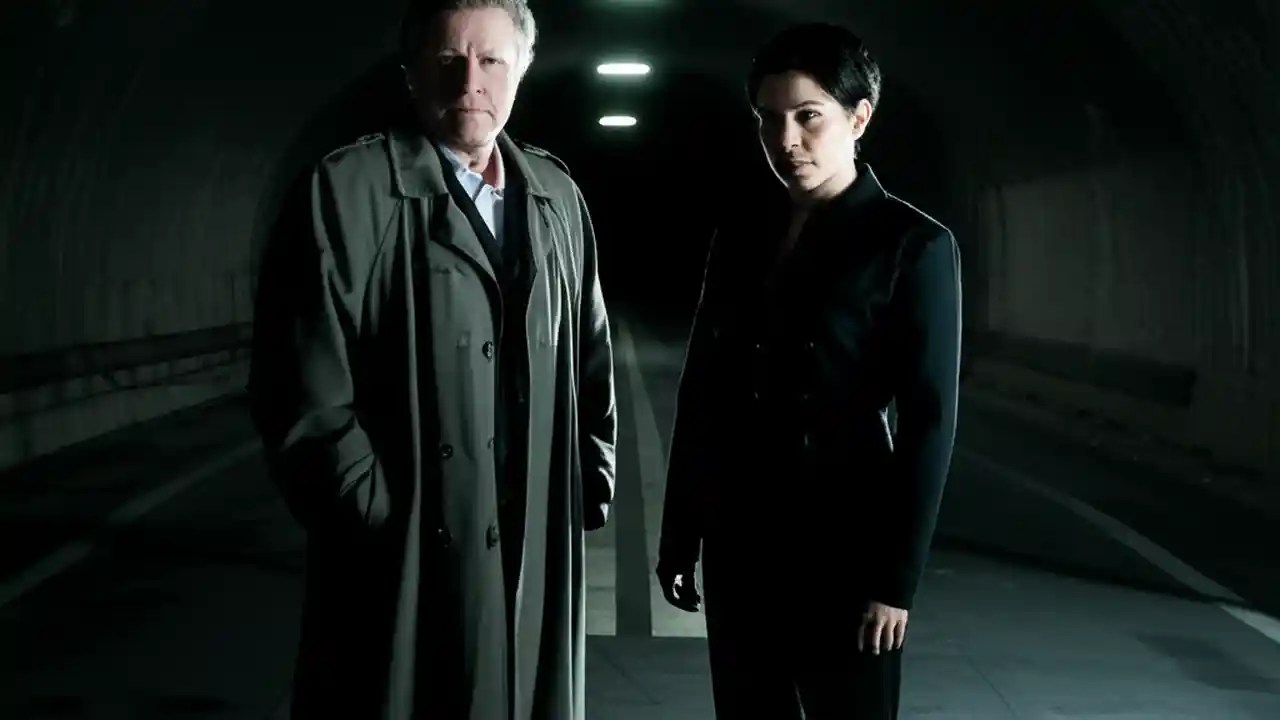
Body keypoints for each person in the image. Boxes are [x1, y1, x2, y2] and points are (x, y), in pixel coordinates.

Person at [247, 0, 617, 717]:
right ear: (411, 72)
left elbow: (593, 360)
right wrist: (375, 515)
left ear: (523, 70)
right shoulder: (345, 193)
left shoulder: (556, 198)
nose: (469, 81)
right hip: (404, 561)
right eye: (448, 60)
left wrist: (587, 477)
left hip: (531, 546)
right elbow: (301, 390)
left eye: (490, 61)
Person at [655, 22, 961, 720]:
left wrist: (896, 582)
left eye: (807, 117)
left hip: (846, 549)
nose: (785, 139)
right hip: (740, 540)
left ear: (860, 117)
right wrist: (682, 533)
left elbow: (928, 421)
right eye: (768, 119)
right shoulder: (741, 234)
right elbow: (703, 390)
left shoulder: (912, 245)